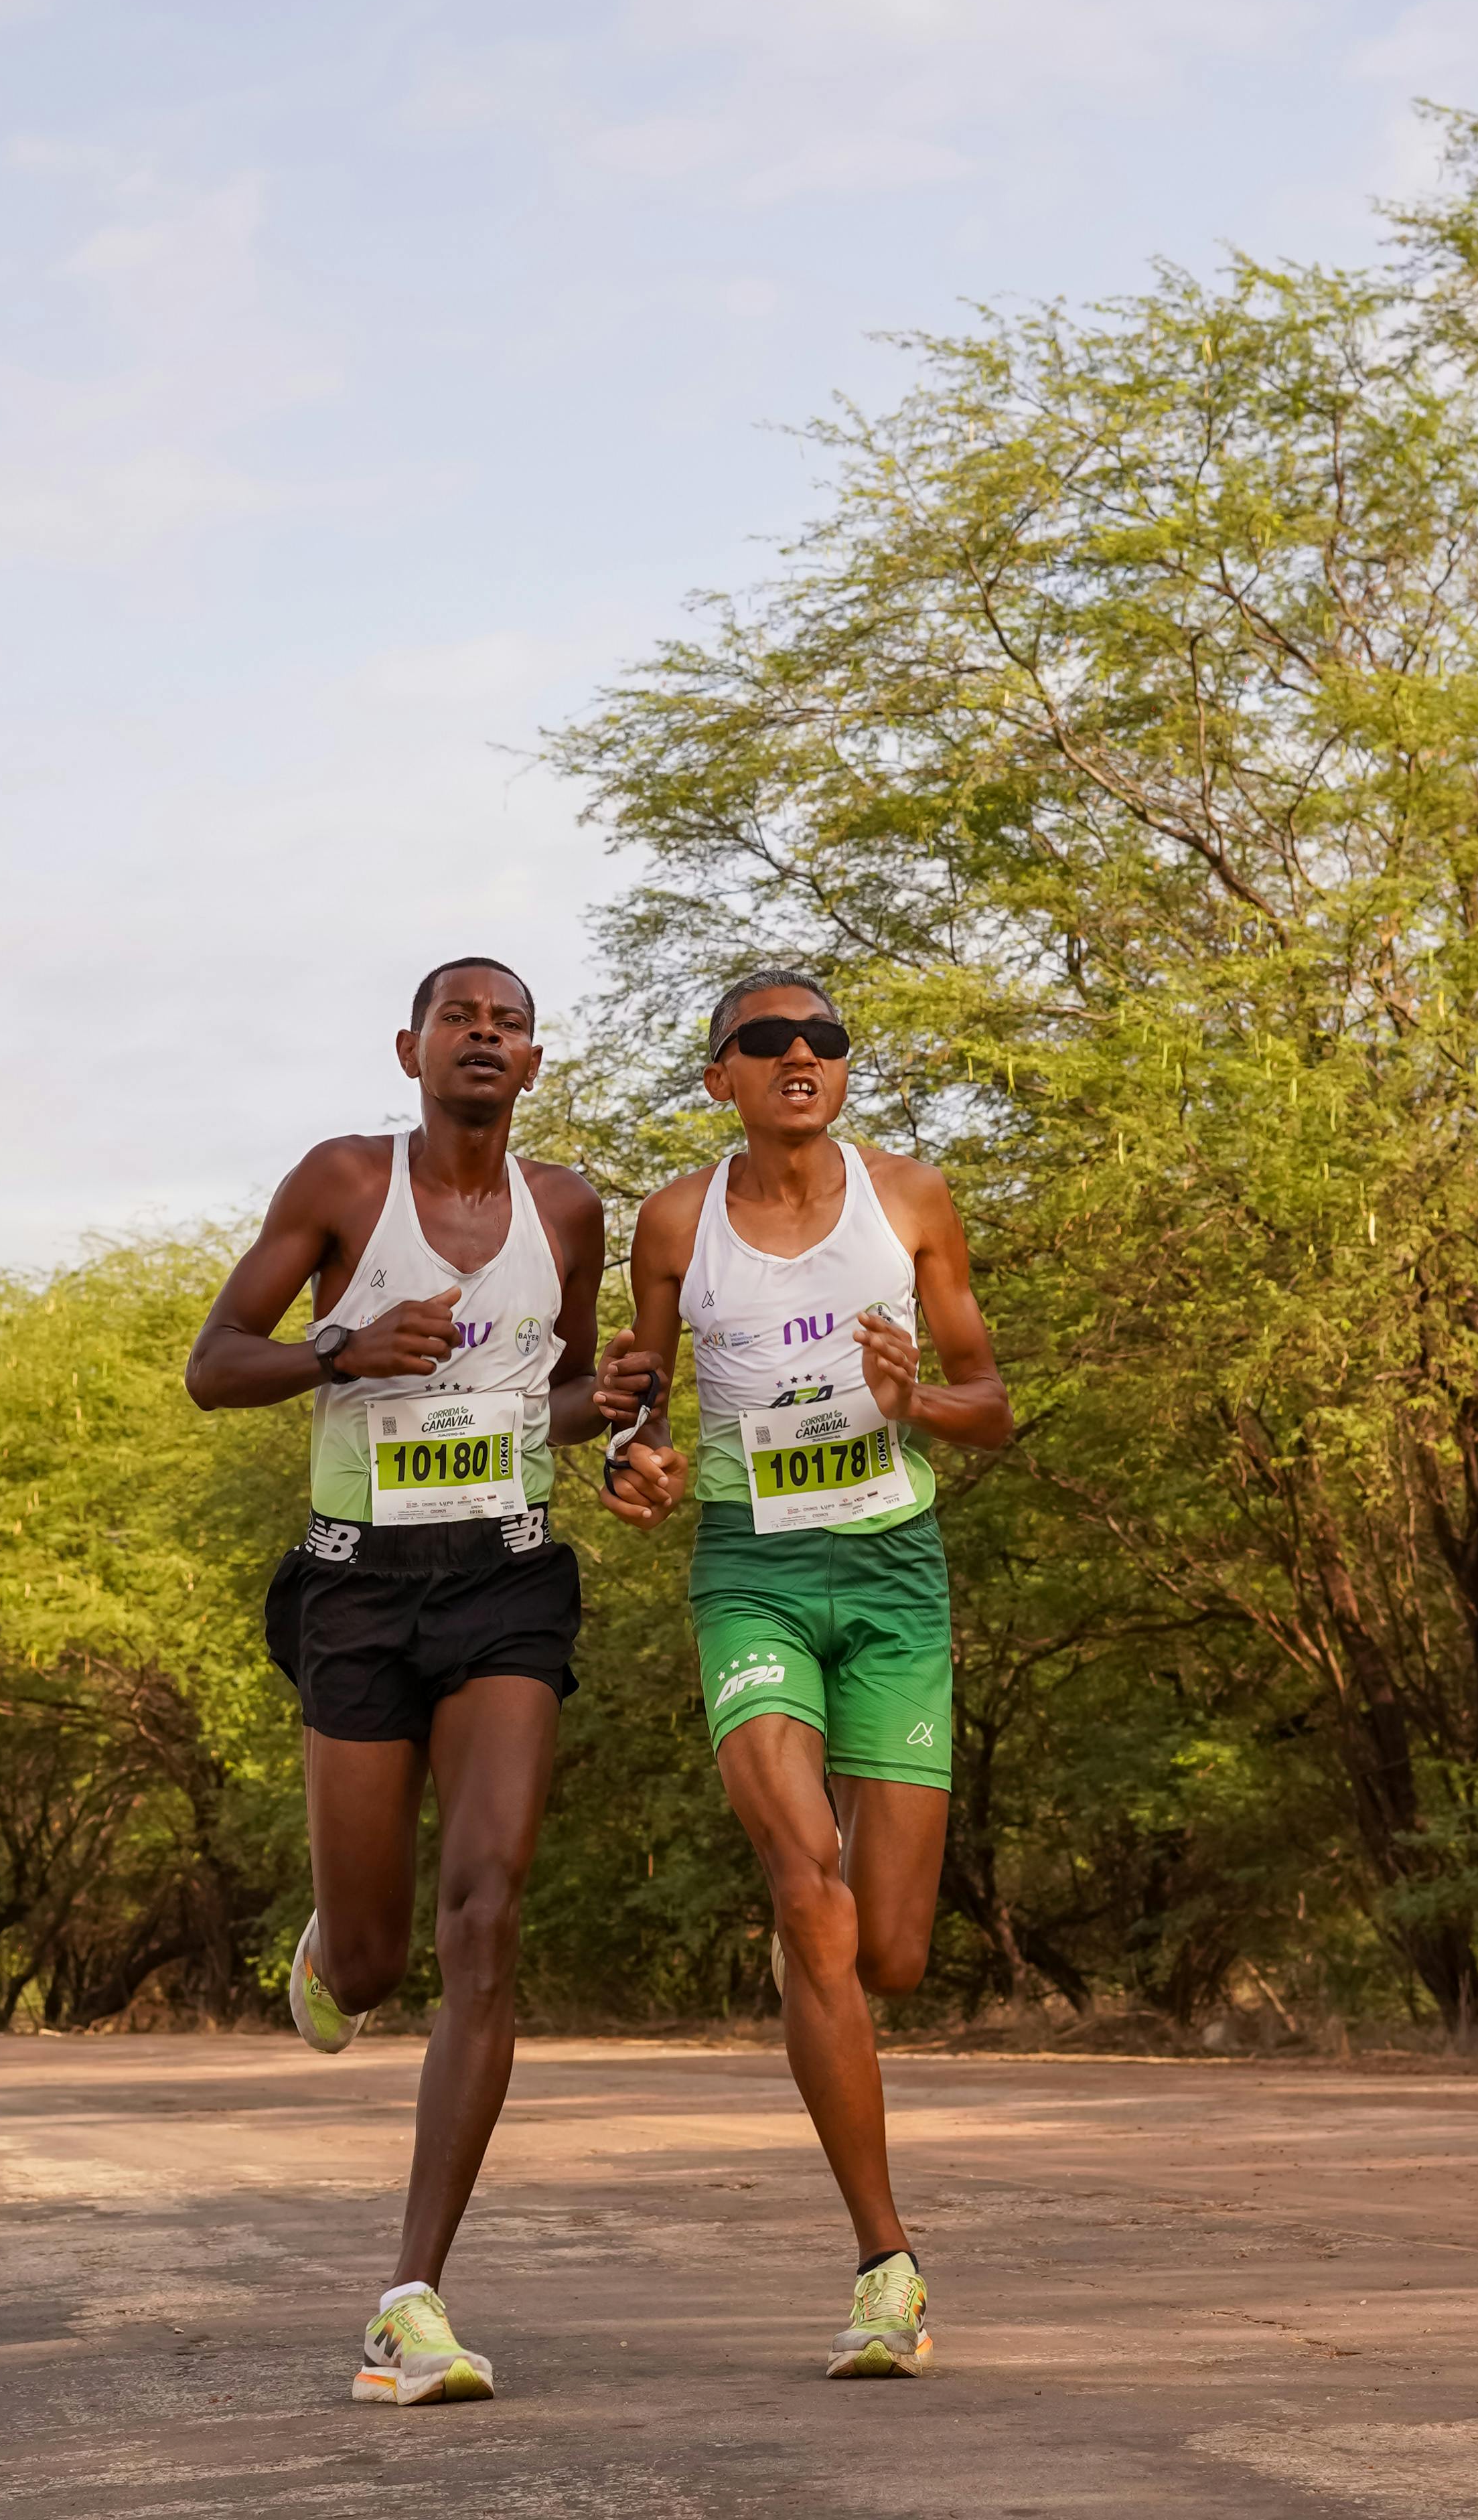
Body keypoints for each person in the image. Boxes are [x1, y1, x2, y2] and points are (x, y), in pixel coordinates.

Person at [186, 957, 664, 2407]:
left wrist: (616, 1414)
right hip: (356, 1587)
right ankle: (333, 1945)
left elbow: (550, 1398)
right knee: (377, 1963)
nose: (484, 1036)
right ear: (411, 1049)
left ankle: (411, 2297)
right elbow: (214, 1364)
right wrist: (337, 1350)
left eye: (509, 1023)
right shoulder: (344, 1180)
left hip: (506, 1579)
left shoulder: (566, 1208)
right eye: (460, 1016)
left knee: (487, 1911)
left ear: (533, 1064)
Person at [593, 966, 1011, 2380]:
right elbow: (641, 1403)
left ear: (842, 1066)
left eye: (822, 1038)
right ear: (718, 1075)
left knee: (886, 1951)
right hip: (751, 1572)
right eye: (764, 1040)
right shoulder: (675, 1223)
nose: (798, 1055)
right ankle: (885, 2262)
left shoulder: (910, 1201)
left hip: (893, 1577)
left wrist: (915, 1398)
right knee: (807, 1892)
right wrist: (635, 1461)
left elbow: (991, 1406)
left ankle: (821, 1952)